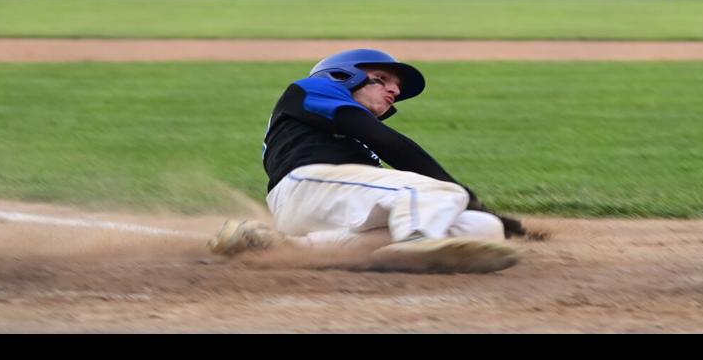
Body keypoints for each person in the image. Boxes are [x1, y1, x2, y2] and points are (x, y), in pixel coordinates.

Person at [209, 49, 526, 273]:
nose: (394, 90)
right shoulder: (314, 88)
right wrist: (470, 198)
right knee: (441, 192)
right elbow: (390, 145)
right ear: (342, 76)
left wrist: (482, 213)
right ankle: (417, 241)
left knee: (481, 228)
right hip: (309, 185)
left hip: (331, 206)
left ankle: (284, 248)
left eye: (397, 88)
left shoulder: (348, 127)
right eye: (382, 79)